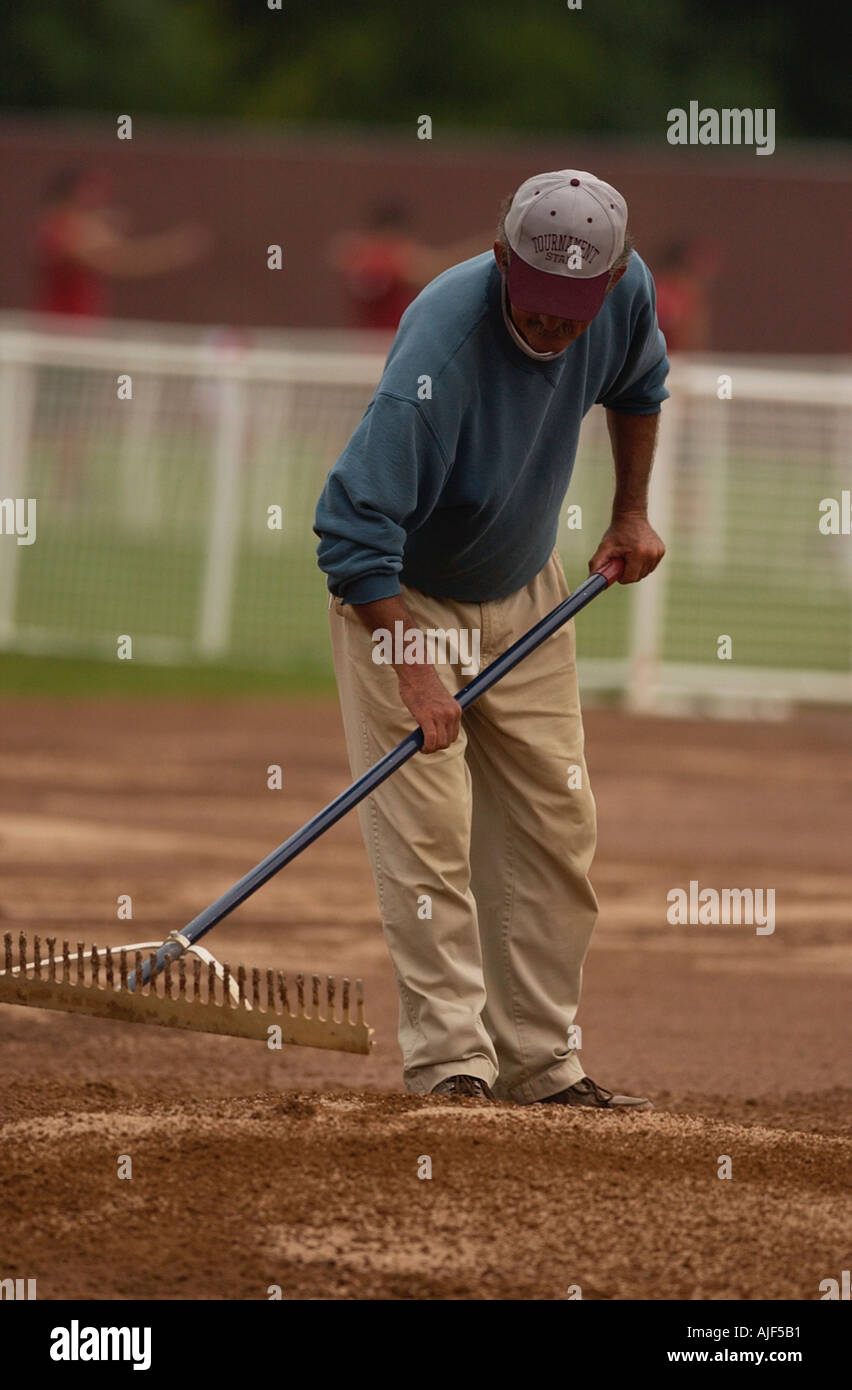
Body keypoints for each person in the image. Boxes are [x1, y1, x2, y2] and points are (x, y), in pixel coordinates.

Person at [315, 170, 668, 1108]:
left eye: (572, 312)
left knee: (558, 827)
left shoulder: (621, 294)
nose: (554, 329)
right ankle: (451, 1069)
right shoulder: (442, 345)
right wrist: (416, 674)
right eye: (539, 307)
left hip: (525, 587)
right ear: (503, 258)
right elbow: (349, 534)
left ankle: (541, 1067)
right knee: (428, 842)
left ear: (612, 277)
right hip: (403, 603)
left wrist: (632, 510)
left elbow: (641, 384)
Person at [34, 166, 207, 318]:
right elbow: (117, 259)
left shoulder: (74, 224)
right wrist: (172, 249)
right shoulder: (61, 229)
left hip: (78, 325)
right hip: (63, 329)